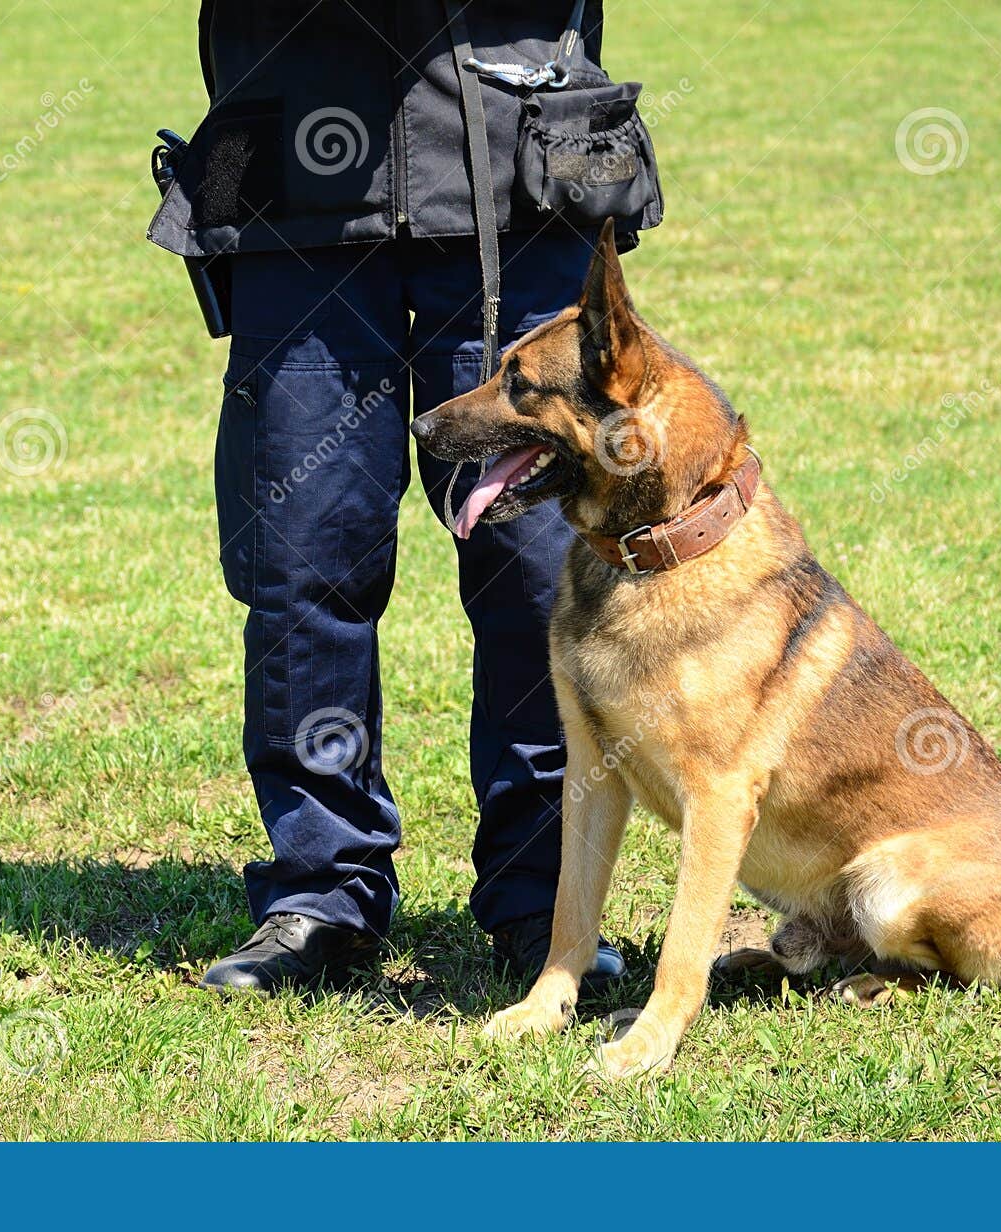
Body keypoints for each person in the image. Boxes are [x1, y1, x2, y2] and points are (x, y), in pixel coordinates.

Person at [147, 0, 662, 992]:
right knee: (305, 560)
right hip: (294, 190)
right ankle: (320, 894)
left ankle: (544, 900)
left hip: (519, 180)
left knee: (538, 574)